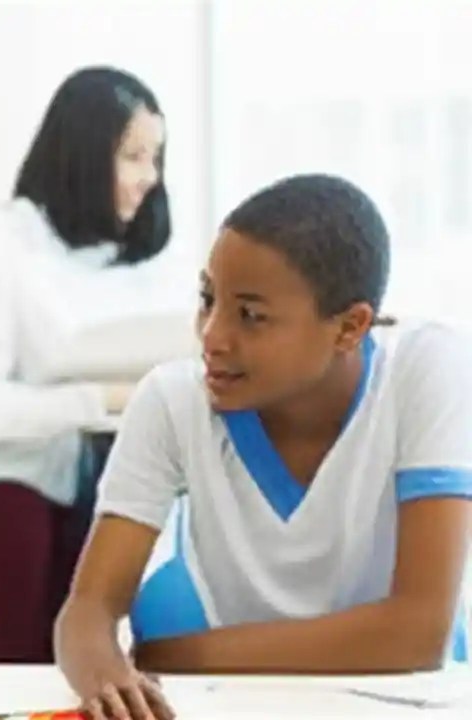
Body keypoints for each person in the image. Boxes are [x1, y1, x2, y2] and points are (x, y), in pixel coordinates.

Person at [56, 174, 472, 720]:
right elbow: (87, 613)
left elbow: (416, 633)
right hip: (236, 704)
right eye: (208, 299)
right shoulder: (171, 400)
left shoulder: (425, 369)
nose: (212, 335)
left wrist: (174, 655)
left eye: (250, 315)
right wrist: (107, 676)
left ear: (350, 327)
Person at [0, 65, 191, 663]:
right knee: (18, 669)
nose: (149, 177)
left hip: (81, 485)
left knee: (84, 663)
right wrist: (104, 400)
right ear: (84, 157)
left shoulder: (114, 264)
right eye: (133, 156)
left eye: (156, 158)